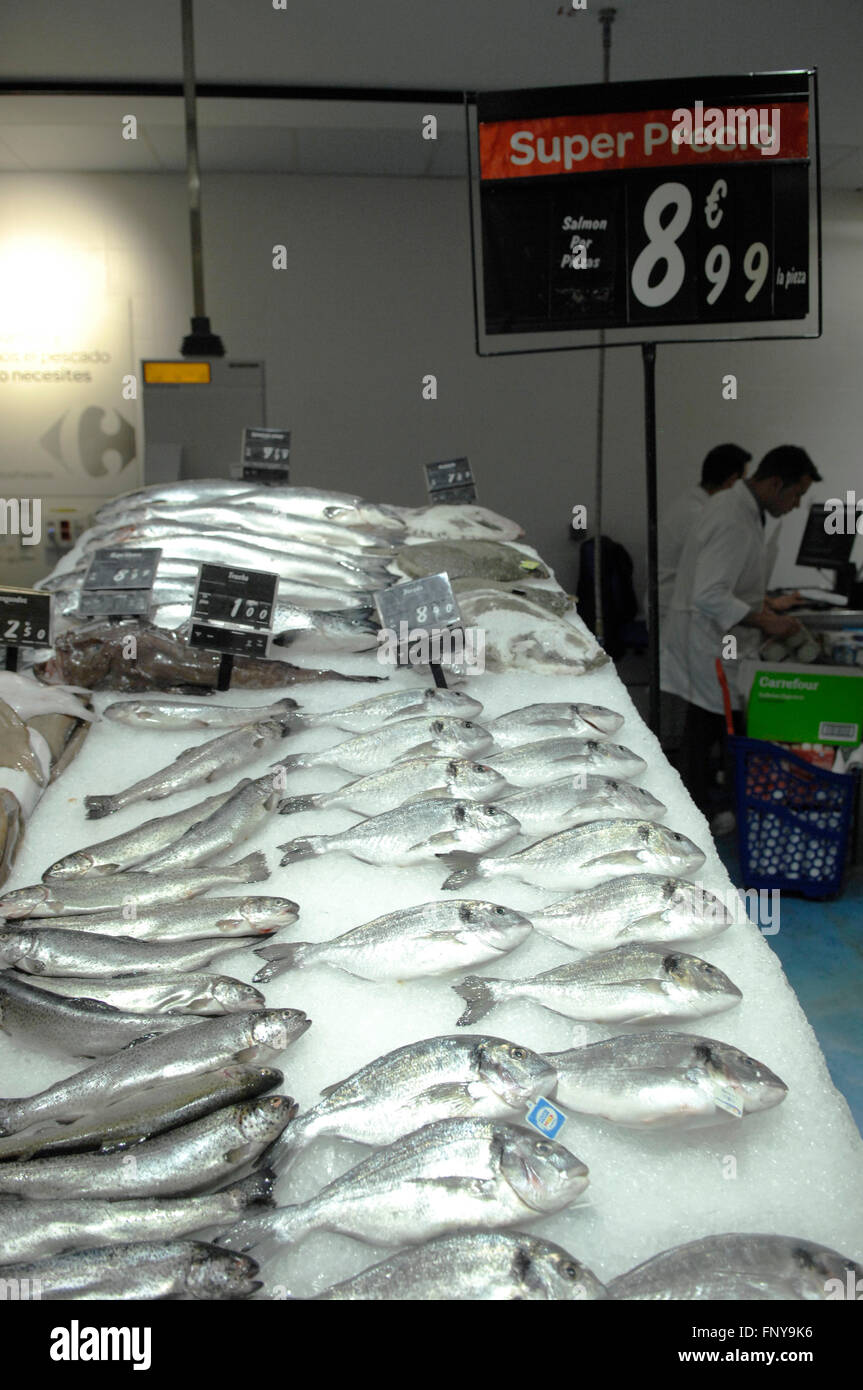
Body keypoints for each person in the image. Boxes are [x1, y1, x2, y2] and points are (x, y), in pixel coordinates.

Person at [661, 444, 822, 827]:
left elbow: (730, 582)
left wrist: (763, 607)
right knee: (709, 726)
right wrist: (766, 621)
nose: (797, 505)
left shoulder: (741, 510)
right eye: (797, 495)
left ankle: (707, 810)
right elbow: (709, 594)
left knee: (708, 726)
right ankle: (703, 815)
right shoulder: (733, 516)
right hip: (705, 638)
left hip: (713, 637)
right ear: (775, 483)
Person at [657, 443, 751, 621]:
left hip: (675, 606)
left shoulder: (692, 504)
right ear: (732, 481)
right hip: (674, 613)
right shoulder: (700, 515)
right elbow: (712, 582)